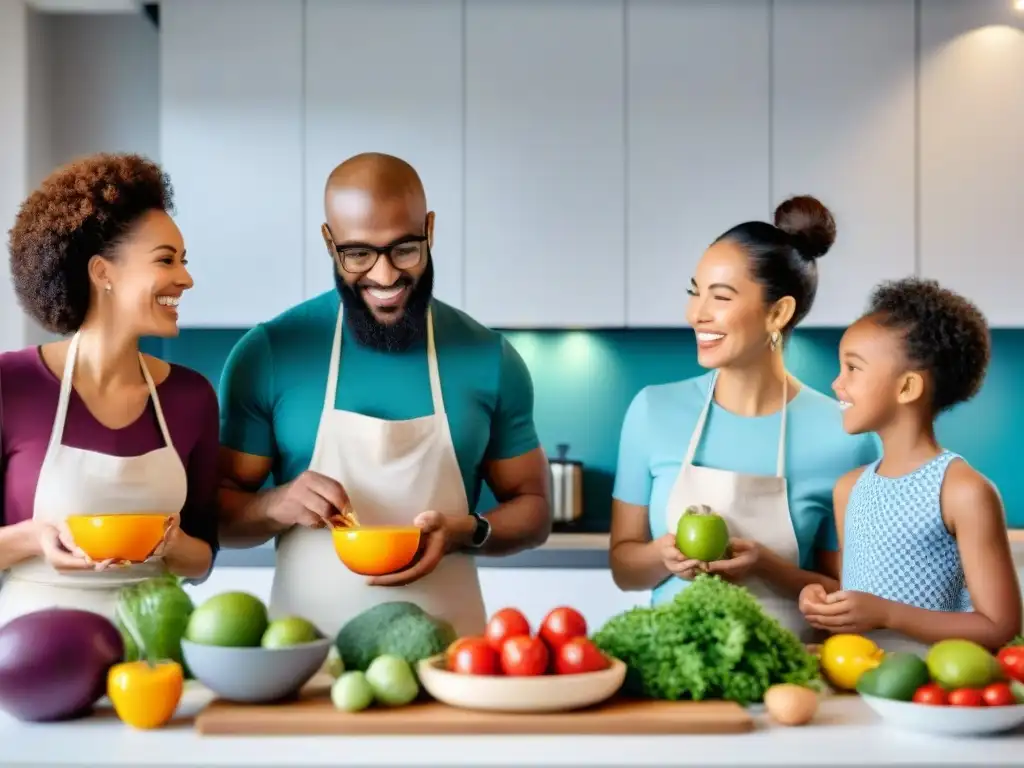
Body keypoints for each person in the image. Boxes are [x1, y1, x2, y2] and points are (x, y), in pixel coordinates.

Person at [216, 152, 551, 639]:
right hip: (305, 663)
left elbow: (535, 509)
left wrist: (466, 531)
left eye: (404, 249)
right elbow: (220, 519)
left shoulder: (489, 357)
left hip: (452, 660)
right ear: (330, 243)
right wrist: (275, 505)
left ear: (430, 230)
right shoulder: (269, 354)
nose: (386, 276)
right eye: (358, 254)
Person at [609, 196, 880, 639]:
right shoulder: (651, 412)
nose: (697, 313)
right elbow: (624, 569)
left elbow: (851, 597)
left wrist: (769, 567)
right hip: (674, 670)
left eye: (720, 297)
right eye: (695, 292)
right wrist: (663, 557)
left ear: (778, 312)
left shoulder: (845, 435)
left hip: (792, 672)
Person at [0, 153, 220, 625]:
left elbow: (203, 559)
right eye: (166, 260)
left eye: (184, 261)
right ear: (104, 274)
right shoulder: (10, 386)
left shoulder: (191, 397)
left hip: (157, 659)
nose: (186, 278)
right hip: (35, 659)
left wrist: (175, 546)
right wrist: (34, 538)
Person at [799, 278, 1021, 653]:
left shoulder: (963, 491)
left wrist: (888, 615)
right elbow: (860, 593)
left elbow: (999, 626)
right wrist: (821, 599)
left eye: (853, 368)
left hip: (934, 689)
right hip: (859, 683)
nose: (837, 383)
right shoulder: (849, 489)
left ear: (907, 388)